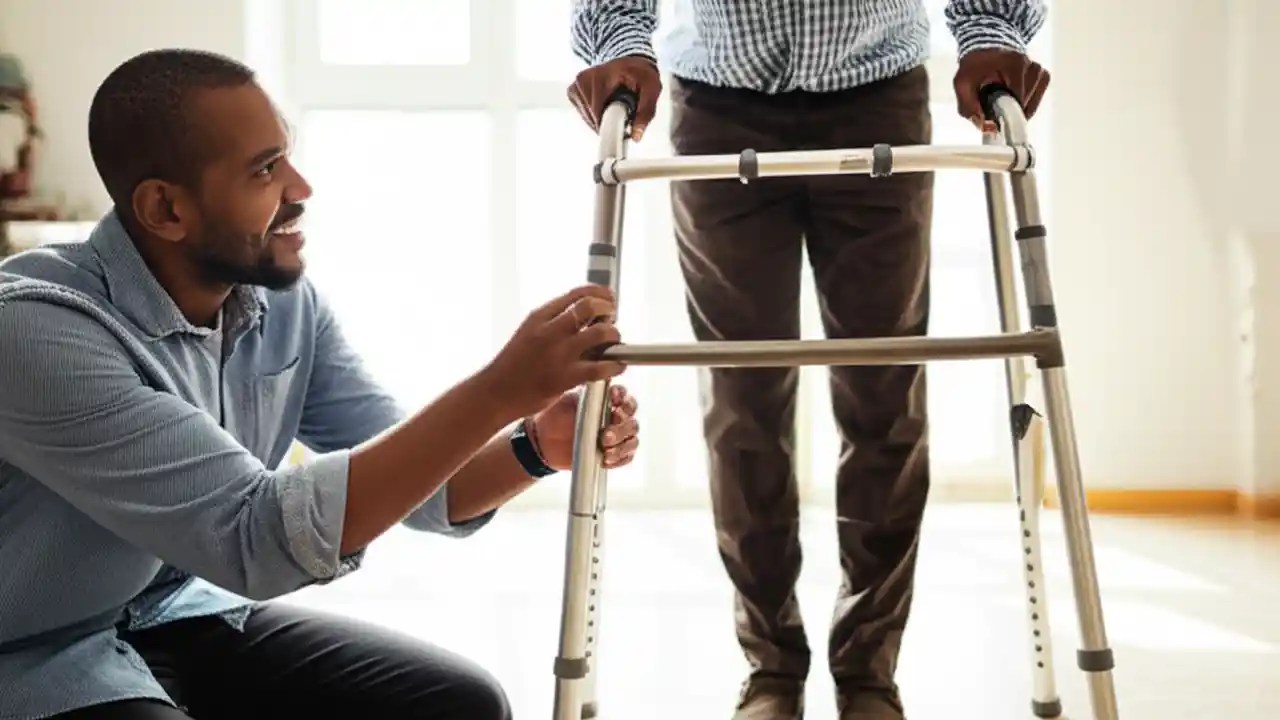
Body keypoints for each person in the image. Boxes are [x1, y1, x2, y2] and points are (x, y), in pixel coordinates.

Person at [0, 49, 640, 720]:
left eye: (287, 156)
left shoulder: (283, 306)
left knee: (460, 705)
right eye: (266, 170)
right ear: (165, 209)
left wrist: (535, 444)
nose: (300, 188)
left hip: (174, 613)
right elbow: (256, 536)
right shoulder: (32, 333)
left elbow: (426, 488)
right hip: (36, 652)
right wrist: (502, 387)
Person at [568, 2, 1050, 718]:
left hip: (878, 94)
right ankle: (771, 670)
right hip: (717, 102)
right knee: (743, 405)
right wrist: (618, 37)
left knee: (884, 396)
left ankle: (868, 676)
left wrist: (988, 30)